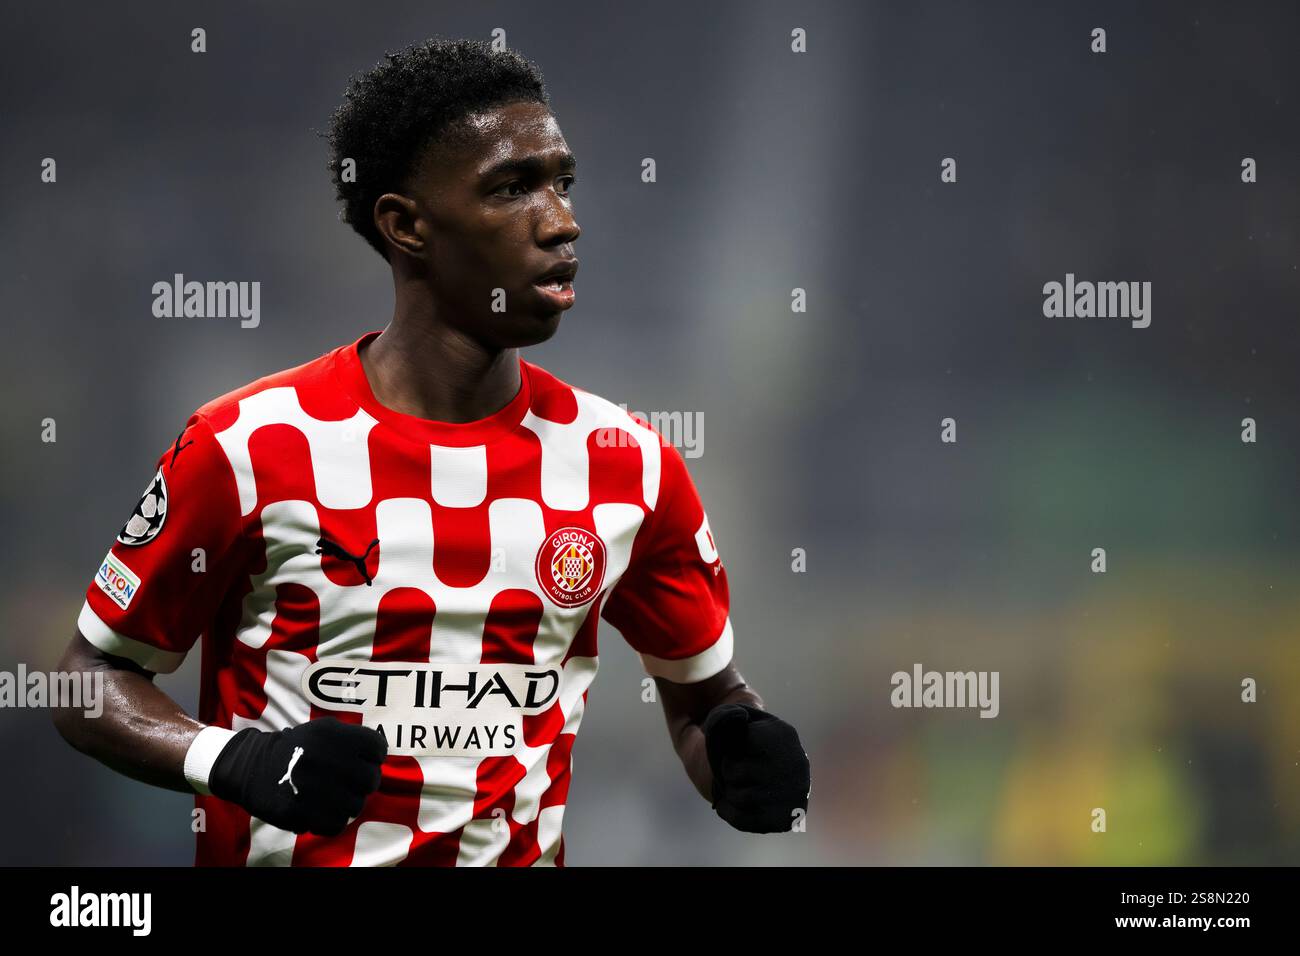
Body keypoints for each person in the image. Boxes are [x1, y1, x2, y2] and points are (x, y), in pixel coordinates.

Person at [54, 37, 810, 866]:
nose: (562, 220)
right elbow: (90, 681)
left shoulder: (625, 463)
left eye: (561, 182)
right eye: (512, 188)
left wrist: (740, 757)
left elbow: (707, 703)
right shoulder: (248, 445)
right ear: (406, 225)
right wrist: (230, 760)